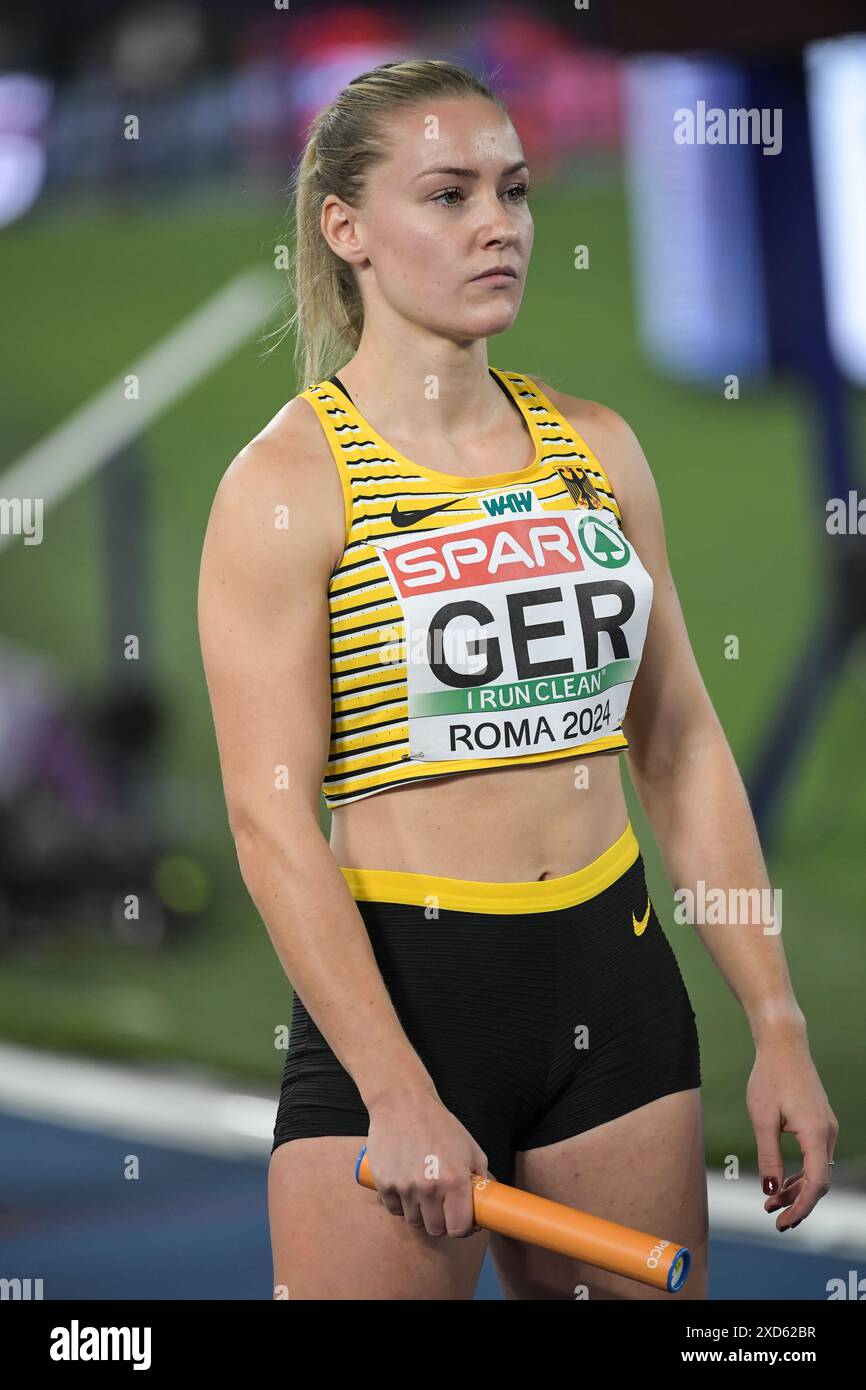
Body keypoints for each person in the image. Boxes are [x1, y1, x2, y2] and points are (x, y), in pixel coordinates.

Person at [197, 59, 837, 1301]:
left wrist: (775, 1023)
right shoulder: (287, 488)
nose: (498, 225)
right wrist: (394, 1089)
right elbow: (268, 819)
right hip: (405, 998)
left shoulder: (594, 448)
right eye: (446, 195)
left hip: (614, 981)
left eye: (513, 189)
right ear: (346, 230)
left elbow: (682, 747)